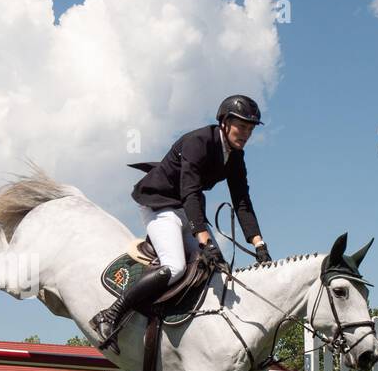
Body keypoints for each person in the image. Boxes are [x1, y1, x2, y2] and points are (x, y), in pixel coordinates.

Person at [92, 95, 271, 351]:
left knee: (217, 268)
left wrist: (259, 245)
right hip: (159, 204)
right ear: (224, 123)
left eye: (250, 129)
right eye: (241, 126)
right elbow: (190, 191)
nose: (246, 134)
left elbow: (242, 201)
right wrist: (204, 239)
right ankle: (109, 314)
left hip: (185, 209)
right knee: (175, 267)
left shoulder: (235, 157)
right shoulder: (198, 141)